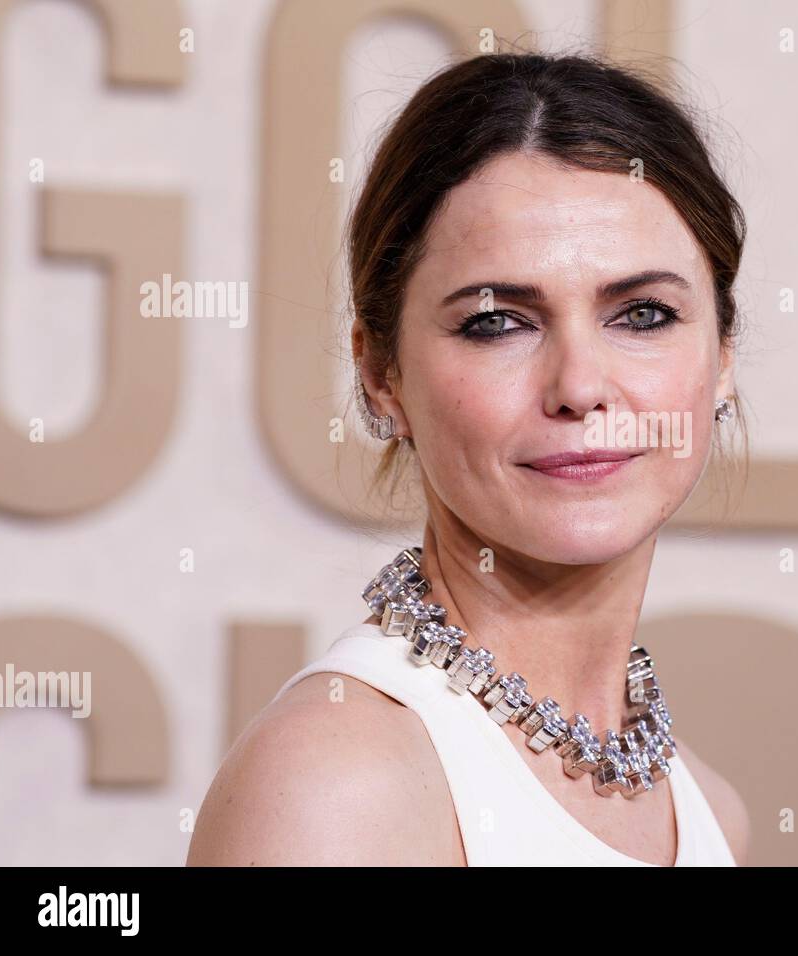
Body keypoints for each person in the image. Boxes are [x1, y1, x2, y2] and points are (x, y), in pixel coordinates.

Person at [188, 50, 750, 866]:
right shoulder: (331, 792)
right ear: (382, 375)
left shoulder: (712, 810)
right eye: (498, 322)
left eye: (643, 313)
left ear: (723, 355)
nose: (580, 387)